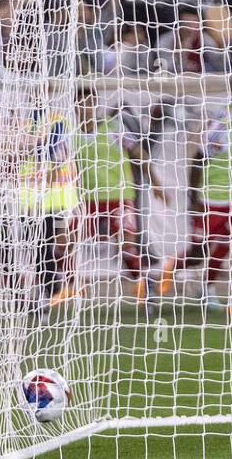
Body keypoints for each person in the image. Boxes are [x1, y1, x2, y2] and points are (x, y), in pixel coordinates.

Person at [158, 76, 232, 319]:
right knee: (199, 253)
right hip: (214, 197)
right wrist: (193, 197)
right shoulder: (220, 127)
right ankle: (170, 268)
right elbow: (199, 160)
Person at [54, 86, 157, 306]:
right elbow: (57, 162)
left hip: (118, 197)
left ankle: (144, 285)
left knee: (126, 246)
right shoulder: (70, 134)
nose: (87, 108)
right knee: (63, 244)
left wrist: (156, 183)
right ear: (75, 107)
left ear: (96, 105)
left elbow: (138, 154)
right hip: (87, 200)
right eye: (82, 103)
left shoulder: (113, 128)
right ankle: (73, 286)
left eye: (91, 103)